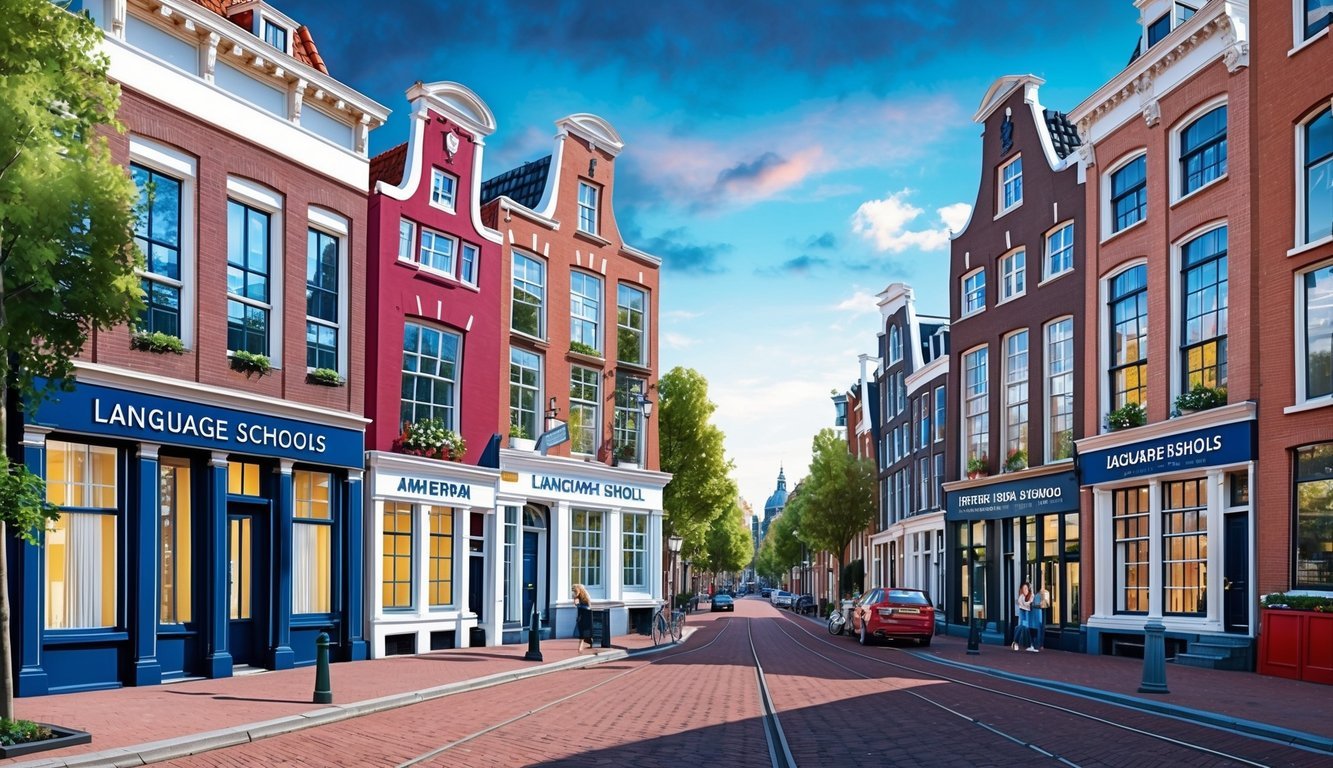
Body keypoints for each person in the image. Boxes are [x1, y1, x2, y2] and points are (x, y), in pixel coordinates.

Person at [1012, 581, 1033, 652]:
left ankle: (1017, 642)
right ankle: (1028, 644)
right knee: (1024, 626)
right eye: (1023, 589)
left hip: (1028, 611)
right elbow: (1024, 604)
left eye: (1026, 588)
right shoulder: (1021, 597)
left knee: (1024, 627)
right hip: (1024, 610)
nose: (1025, 590)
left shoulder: (1031, 595)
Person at [572, 583, 593, 652]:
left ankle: (581, 646)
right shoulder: (581, 595)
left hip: (585, 614)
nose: (574, 592)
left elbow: (585, 606)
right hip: (583, 613)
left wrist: (577, 603)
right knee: (582, 630)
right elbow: (577, 604)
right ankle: (587, 642)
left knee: (583, 630)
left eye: (574, 591)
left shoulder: (584, 595)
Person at [1030, 585, 1049, 651]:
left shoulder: (1038, 595)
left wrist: (1032, 605)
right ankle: (1039, 644)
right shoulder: (1041, 595)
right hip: (1039, 613)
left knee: (1038, 628)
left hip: (1038, 613)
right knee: (1040, 628)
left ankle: (1037, 644)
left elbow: (1039, 605)